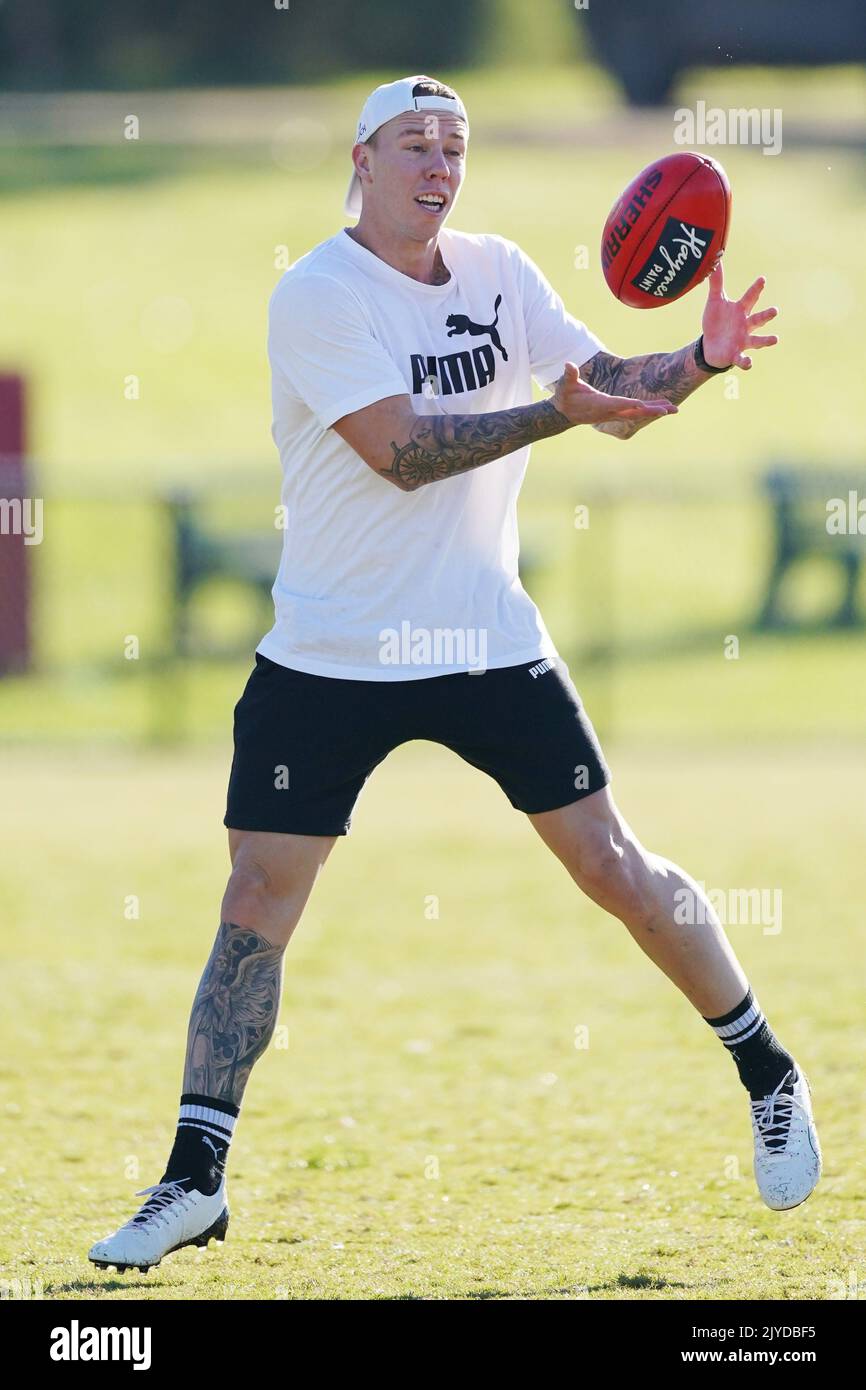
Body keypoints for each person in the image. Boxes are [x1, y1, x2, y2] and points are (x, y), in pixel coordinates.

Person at [89, 75, 819, 1273]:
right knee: (255, 906)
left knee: (611, 866)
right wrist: (558, 414)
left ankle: (767, 1070)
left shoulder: (497, 269)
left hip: (484, 638)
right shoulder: (316, 294)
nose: (439, 164)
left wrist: (696, 356)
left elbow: (613, 402)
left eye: (456, 146)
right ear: (362, 158)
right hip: (328, 651)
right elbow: (405, 454)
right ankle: (193, 1179)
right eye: (415, 144)